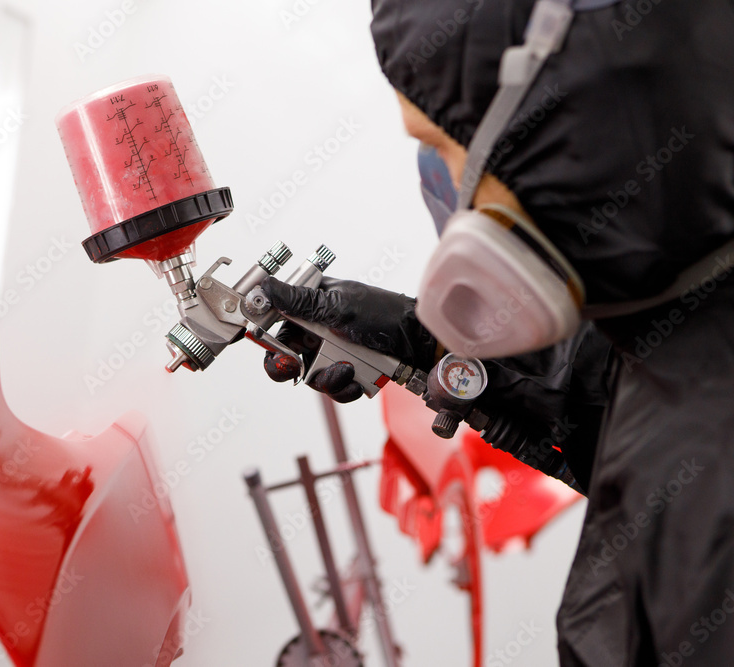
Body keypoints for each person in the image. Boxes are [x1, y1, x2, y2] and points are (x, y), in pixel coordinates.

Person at [259, 0, 734, 664]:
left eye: (447, 145)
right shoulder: (690, 312)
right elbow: (643, 405)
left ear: (572, 125)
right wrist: (422, 345)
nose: (451, 188)